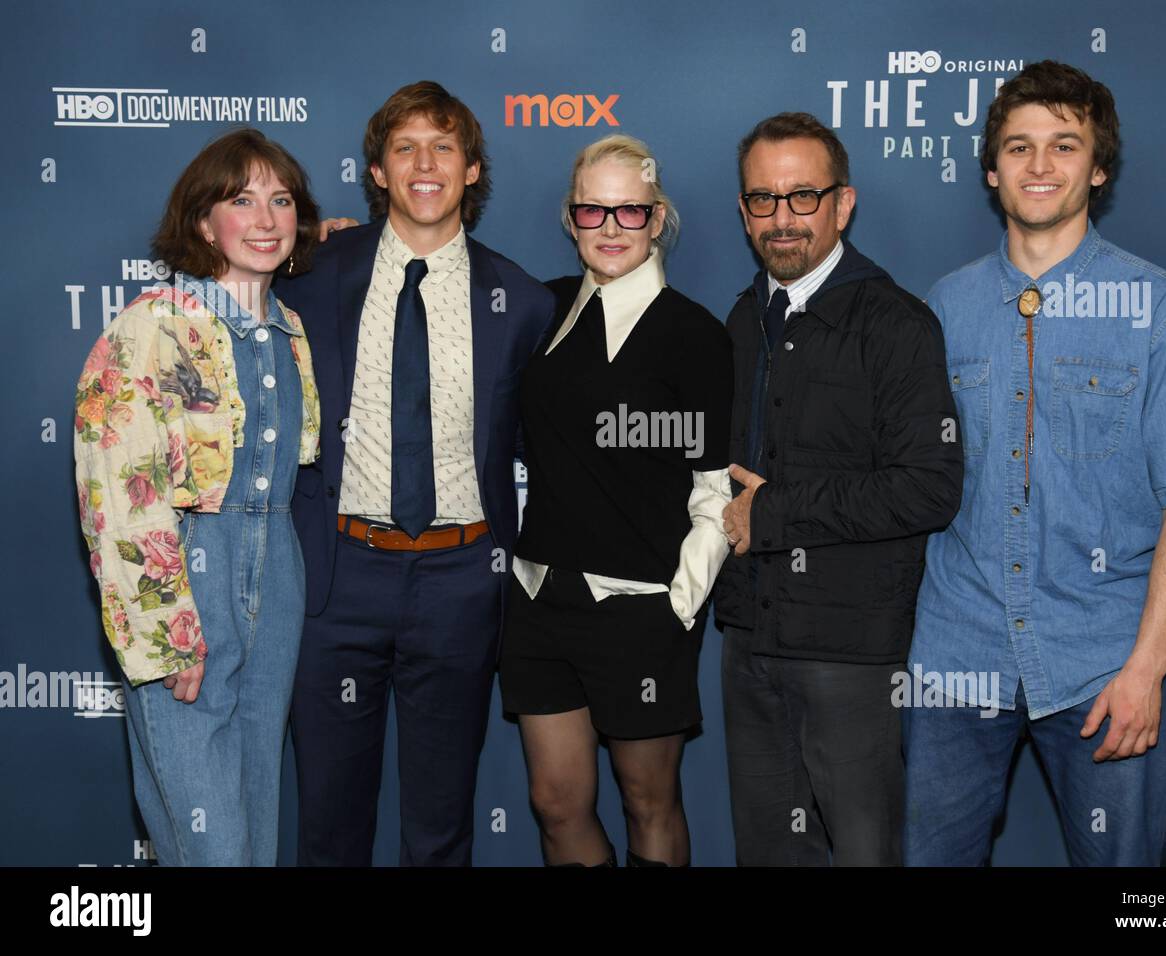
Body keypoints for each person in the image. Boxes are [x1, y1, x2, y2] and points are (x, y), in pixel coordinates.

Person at [904, 61, 1166, 866]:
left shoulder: (1165, 312)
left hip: (1105, 663)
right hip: (958, 657)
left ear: (1098, 169)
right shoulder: (939, 311)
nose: (1040, 166)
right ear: (991, 169)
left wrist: (1147, 670)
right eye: (1019, 147)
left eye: (1064, 146)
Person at [276, 81, 553, 866]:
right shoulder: (310, 274)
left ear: (471, 170)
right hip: (337, 581)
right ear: (375, 171)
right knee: (330, 827)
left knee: (439, 829)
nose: (424, 164)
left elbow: (552, 445)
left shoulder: (523, 301)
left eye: (444, 147)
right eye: (404, 148)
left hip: (462, 582)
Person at [714, 112, 963, 866]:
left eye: (803, 197)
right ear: (743, 211)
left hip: (851, 657)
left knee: (863, 853)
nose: (783, 218)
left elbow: (930, 488)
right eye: (764, 199)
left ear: (842, 204)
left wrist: (778, 510)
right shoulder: (739, 320)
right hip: (750, 641)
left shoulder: (897, 323)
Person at [73, 128, 322, 866]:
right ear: (202, 220)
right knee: (209, 845)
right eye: (241, 200)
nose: (267, 218)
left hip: (277, 570)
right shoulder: (150, 325)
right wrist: (166, 628)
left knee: (254, 823)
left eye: (281, 200)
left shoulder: (290, 331)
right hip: (184, 577)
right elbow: (113, 488)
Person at [500, 135, 733, 867]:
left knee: (646, 801)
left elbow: (712, 488)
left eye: (628, 211)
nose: (609, 226)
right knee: (555, 803)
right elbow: (449, 295)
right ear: (571, 220)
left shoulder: (694, 333)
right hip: (538, 600)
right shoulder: (541, 310)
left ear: (656, 218)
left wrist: (678, 602)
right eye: (592, 210)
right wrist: (342, 245)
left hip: (641, 608)